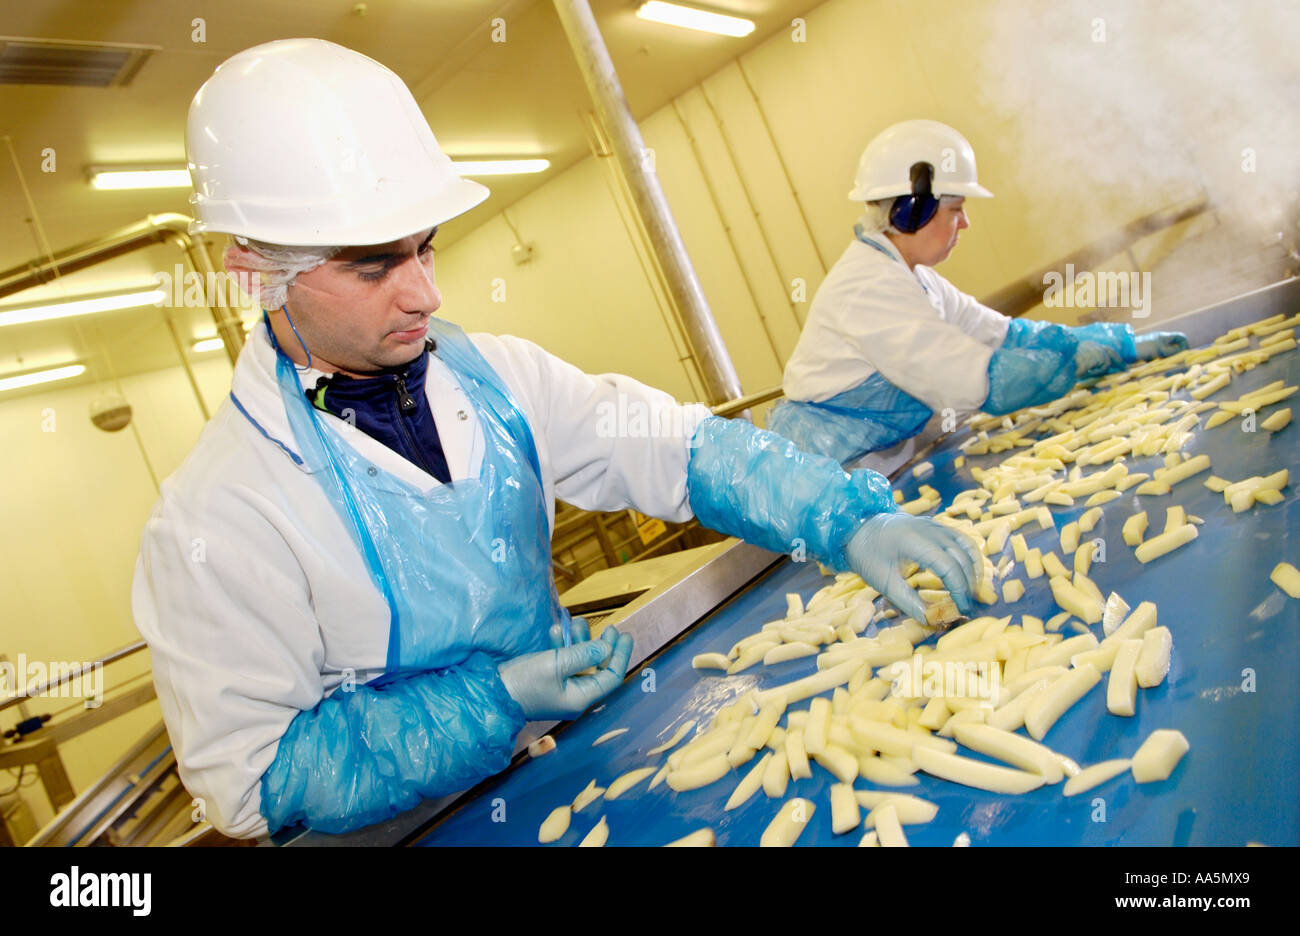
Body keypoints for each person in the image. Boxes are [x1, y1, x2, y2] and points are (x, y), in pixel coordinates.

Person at [131, 41, 982, 840]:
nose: (424, 294)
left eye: (426, 249)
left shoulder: (498, 380)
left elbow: (678, 449)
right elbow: (254, 778)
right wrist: (490, 702)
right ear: (256, 271)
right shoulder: (221, 515)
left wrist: (842, 516)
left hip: (567, 772)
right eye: (374, 266)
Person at [766, 119, 1188, 471]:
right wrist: (1071, 363)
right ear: (912, 211)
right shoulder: (868, 289)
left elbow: (1002, 334)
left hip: (888, 464)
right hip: (834, 477)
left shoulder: (914, 277)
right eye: (956, 209)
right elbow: (978, 381)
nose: (965, 223)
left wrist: (1117, 344)